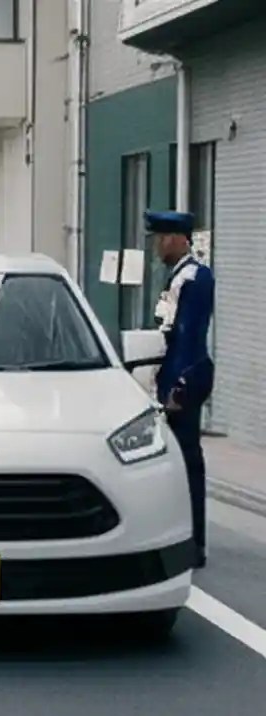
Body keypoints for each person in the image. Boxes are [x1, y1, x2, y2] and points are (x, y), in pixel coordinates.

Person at [147, 209, 214, 569]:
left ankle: (195, 543)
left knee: (187, 462)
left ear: (178, 239)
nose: (158, 245)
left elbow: (188, 335)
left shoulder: (194, 277)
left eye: (161, 237)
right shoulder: (176, 276)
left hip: (185, 378)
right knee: (175, 461)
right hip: (171, 377)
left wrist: (180, 385)